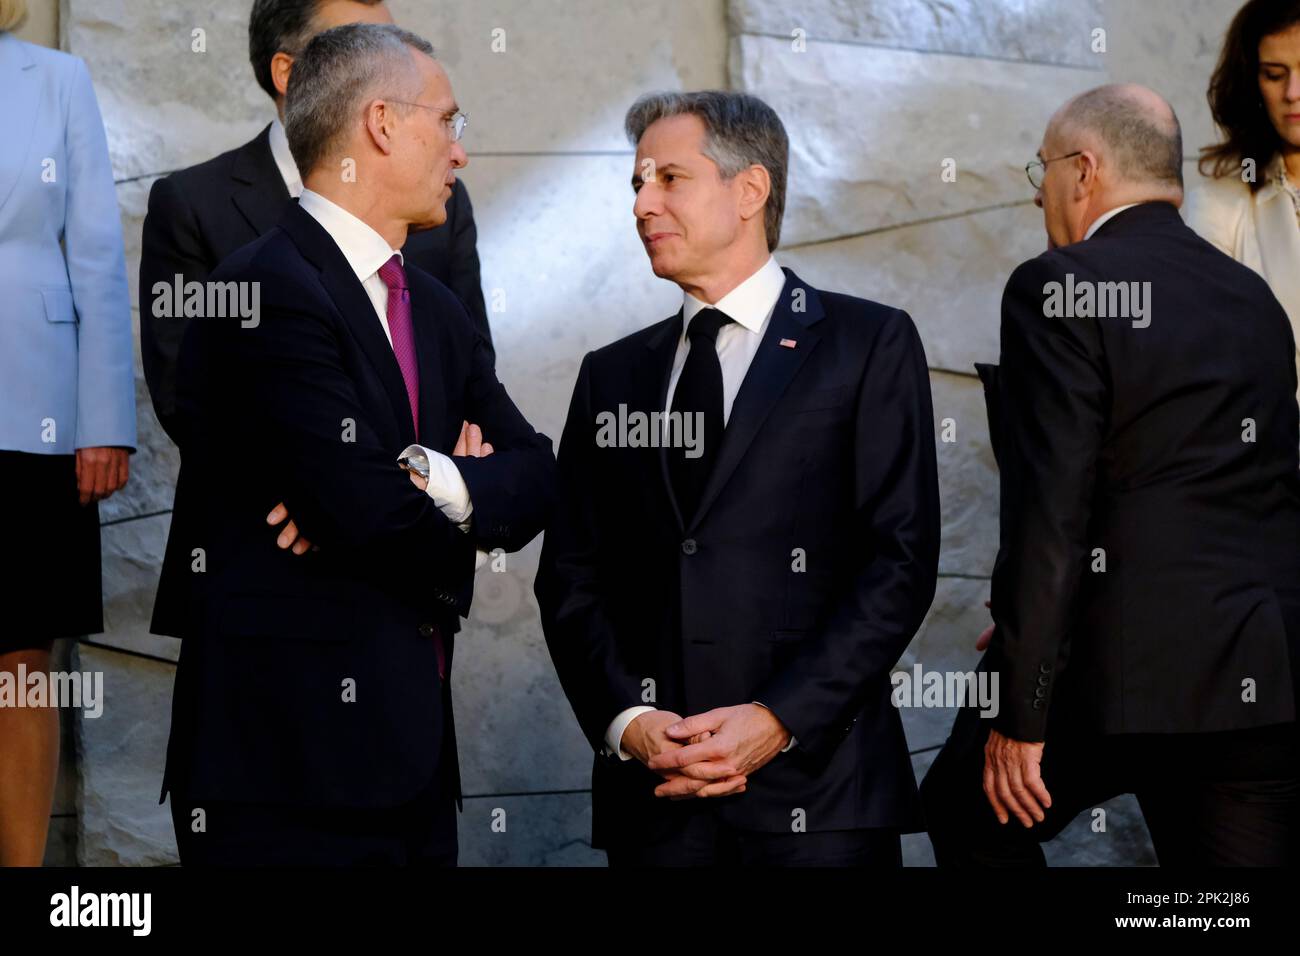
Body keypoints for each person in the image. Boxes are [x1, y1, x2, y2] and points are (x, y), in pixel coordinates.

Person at [161, 23, 555, 865]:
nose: (460, 151)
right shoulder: (261, 289)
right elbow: (363, 512)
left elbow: (543, 474)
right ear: (382, 123)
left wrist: (430, 479)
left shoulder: (436, 310)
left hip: (411, 760)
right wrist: (432, 496)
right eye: (448, 122)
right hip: (283, 766)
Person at [536, 90, 940, 867]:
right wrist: (630, 721)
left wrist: (779, 719)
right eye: (637, 184)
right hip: (657, 807)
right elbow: (571, 578)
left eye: (669, 179)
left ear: (749, 190)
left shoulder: (867, 343)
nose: (642, 204)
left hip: (820, 801)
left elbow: (899, 562)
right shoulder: (611, 374)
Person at [921, 84, 1300, 867]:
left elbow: (1052, 512)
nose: (1038, 191)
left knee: (967, 808)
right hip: (1257, 675)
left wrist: (1023, 702)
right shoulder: (1255, 299)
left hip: (1107, 671)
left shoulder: (1059, 283)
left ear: (1084, 171)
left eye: (1045, 168)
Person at [142, 0, 492, 641]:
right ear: (287, 70)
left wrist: (356, 493)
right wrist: (319, 491)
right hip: (259, 580)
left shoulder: (439, 203)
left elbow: (472, 388)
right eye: (359, 40)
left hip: (403, 595)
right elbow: (185, 397)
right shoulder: (191, 202)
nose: (389, 60)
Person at [0, 0, 135, 866]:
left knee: (18, 660)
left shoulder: (56, 80)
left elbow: (95, 252)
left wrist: (104, 421)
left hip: (33, 411)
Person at [1186, 0, 1300, 400]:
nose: (1293, 93)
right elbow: (1203, 353)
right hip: (1272, 451)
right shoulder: (1220, 203)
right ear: (1252, 82)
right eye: (1274, 74)